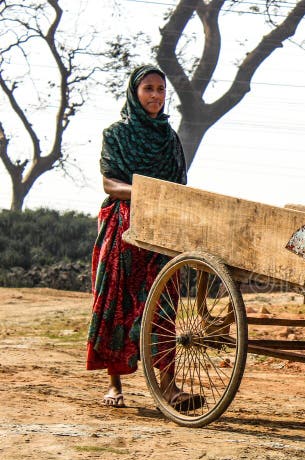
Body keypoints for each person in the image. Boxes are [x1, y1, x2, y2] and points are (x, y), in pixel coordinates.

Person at [86, 64, 195, 410]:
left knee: (165, 303)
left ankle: (169, 386)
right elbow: (109, 183)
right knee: (116, 301)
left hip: (163, 228)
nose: (156, 96)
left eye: (161, 90)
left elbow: (179, 183)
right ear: (135, 93)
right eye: (148, 89)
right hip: (124, 225)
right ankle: (114, 385)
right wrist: (143, 192)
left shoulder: (169, 138)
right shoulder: (116, 134)